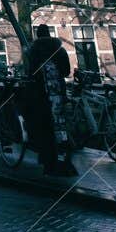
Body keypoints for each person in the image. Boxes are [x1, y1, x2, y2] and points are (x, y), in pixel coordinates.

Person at [24, 24, 75, 176]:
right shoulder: (60, 50)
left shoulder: (33, 51)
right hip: (58, 94)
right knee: (61, 127)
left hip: (41, 96)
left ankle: (48, 163)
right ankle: (64, 161)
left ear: (38, 36)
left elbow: (30, 73)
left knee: (44, 128)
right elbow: (66, 72)